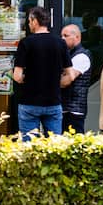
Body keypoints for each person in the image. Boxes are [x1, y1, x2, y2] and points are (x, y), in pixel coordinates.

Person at [13, 7, 72, 139]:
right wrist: (56, 83)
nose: (28, 24)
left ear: (34, 21)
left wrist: (27, 79)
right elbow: (71, 75)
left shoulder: (26, 43)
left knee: (28, 146)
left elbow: (17, 76)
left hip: (29, 102)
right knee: (54, 146)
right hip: (53, 102)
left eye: (29, 21)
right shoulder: (60, 43)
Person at [60, 24, 92, 134]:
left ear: (77, 37)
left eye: (66, 36)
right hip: (65, 108)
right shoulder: (69, 54)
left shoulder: (82, 56)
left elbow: (66, 81)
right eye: (61, 36)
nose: (62, 39)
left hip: (74, 110)